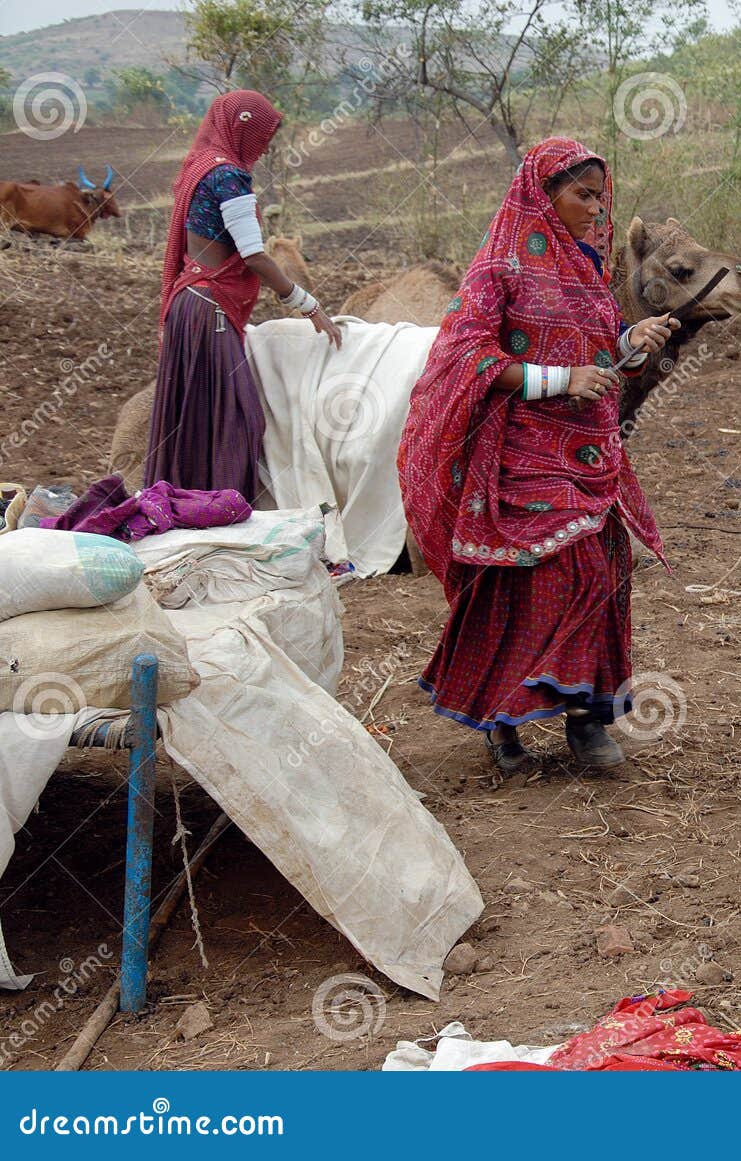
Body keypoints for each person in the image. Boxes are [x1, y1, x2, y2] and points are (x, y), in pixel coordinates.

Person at [398, 137, 681, 775]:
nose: (597, 209)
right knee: (546, 574)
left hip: (589, 452)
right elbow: (468, 355)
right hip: (520, 452)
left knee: (606, 566)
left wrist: (633, 340)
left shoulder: (585, 268)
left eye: (601, 196)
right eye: (583, 195)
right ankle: (502, 718)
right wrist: (559, 380)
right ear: (543, 195)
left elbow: (598, 351)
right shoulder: (498, 269)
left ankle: (586, 717)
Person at [148, 90, 341, 499]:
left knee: (195, 422)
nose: (266, 145)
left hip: (191, 306)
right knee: (237, 421)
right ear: (243, 128)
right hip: (211, 311)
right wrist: (309, 305)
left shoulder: (198, 167)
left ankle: (189, 506)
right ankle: (218, 512)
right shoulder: (227, 177)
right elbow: (254, 256)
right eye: (262, 134)